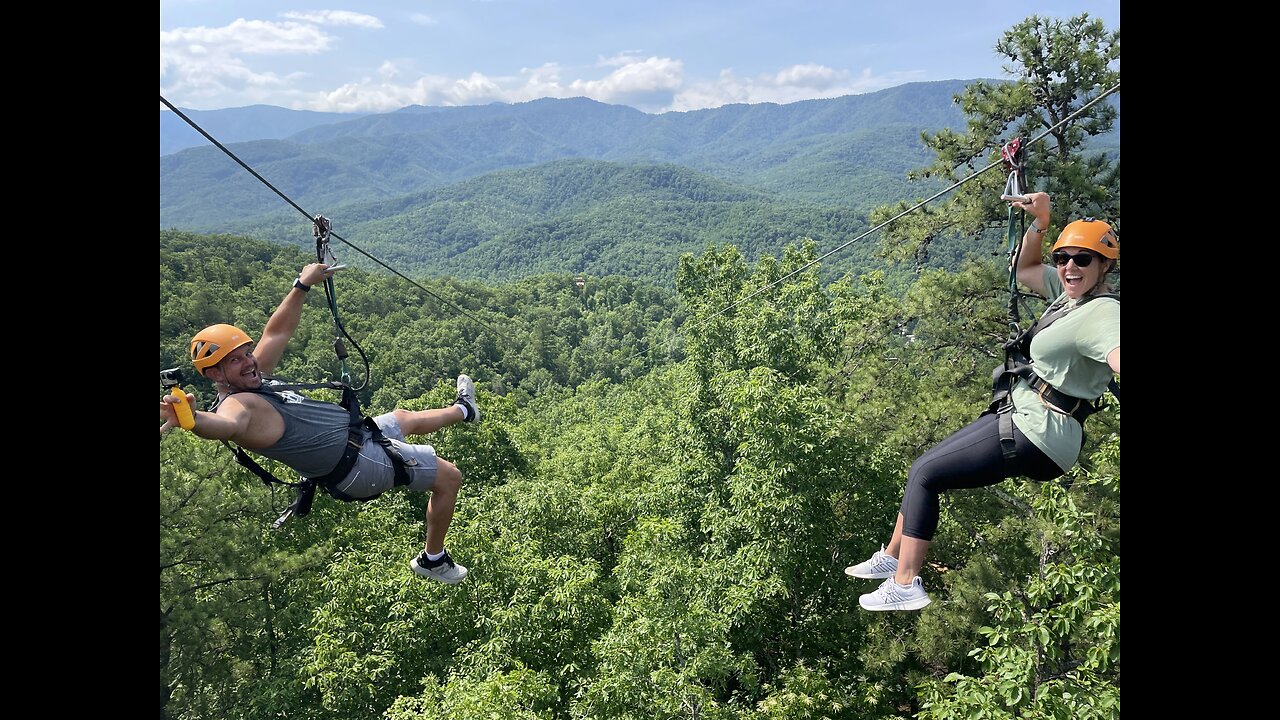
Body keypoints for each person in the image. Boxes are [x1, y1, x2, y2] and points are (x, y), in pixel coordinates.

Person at [845, 192, 1120, 611]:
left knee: (925, 475)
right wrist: (1040, 222)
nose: (1069, 266)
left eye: (1083, 259)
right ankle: (892, 555)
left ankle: (906, 584)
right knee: (925, 465)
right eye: (1064, 256)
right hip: (1023, 418)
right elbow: (1026, 268)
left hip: (1039, 431)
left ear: (1105, 266)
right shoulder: (1069, 298)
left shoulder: (1103, 314)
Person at [160, 262, 480, 584]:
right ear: (214, 374)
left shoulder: (253, 379)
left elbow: (277, 332)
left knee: (403, 418)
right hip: (358, 464)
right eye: (235, 359)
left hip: (356, 438)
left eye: (246, 353)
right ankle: (433, 559)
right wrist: (191, 419)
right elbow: (223, 426)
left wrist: (302, 284)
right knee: (450, 478)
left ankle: (464, 410)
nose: (249, 361)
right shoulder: (240, 405)